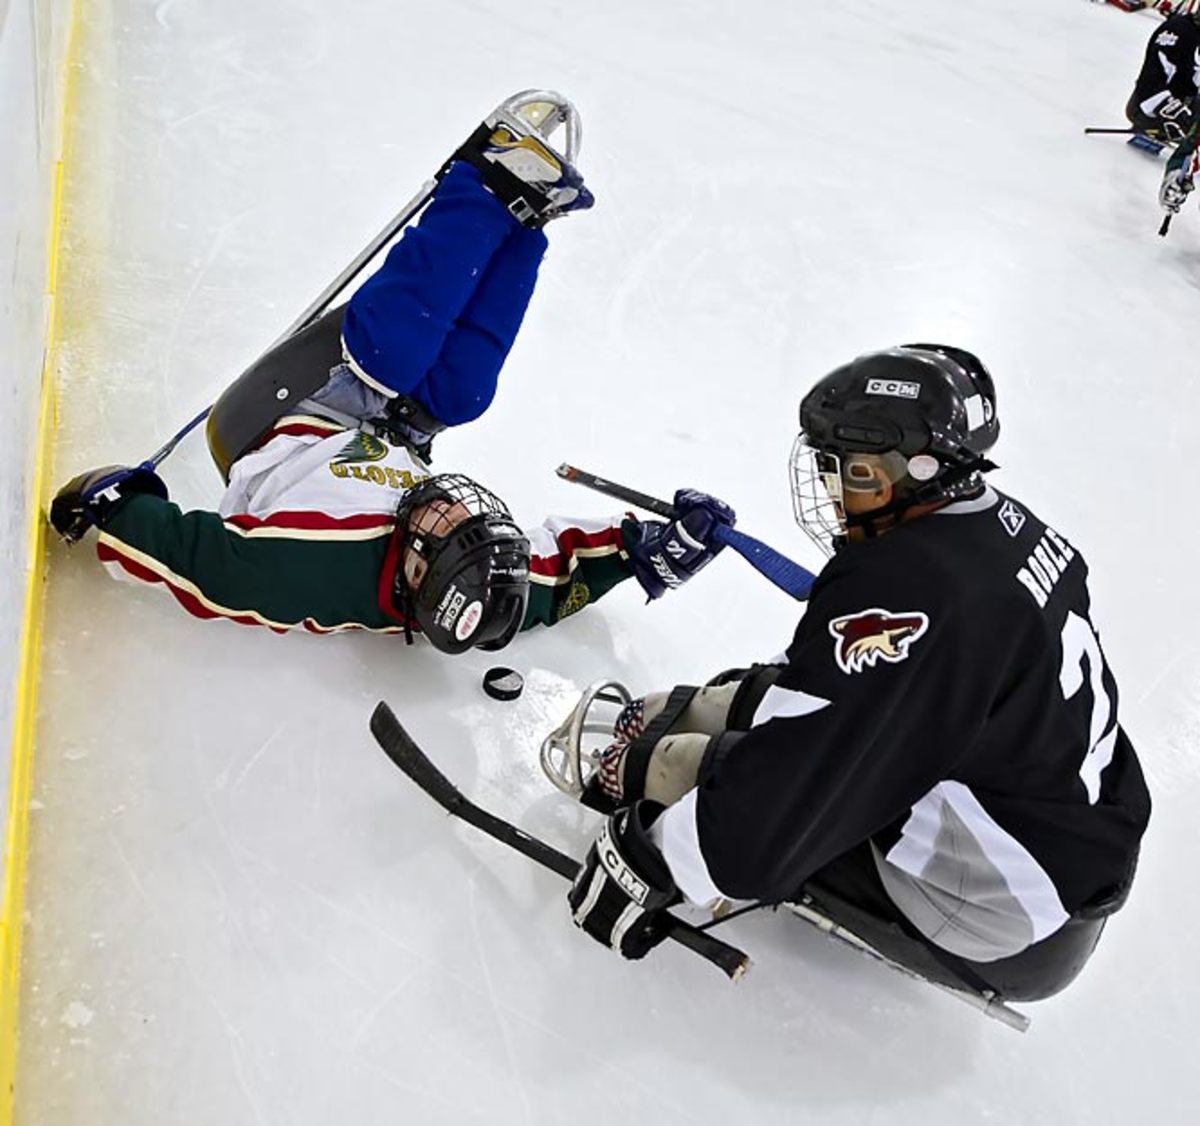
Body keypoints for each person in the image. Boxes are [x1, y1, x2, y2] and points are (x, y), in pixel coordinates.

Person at [561, 344, 1151, 1004]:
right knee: (746, 713)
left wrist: (651, 860)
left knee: (687, 769)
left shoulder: (915, 589)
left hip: (1004, 915)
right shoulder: (1003, 529)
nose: (834, 490)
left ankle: (647, 767)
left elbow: (770, 823)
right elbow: (900, 688)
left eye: (847, 470)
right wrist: (755, 698)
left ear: (906, 471)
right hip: (1054, 848)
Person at [49, 93, 736, 654]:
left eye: (444, 531)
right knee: (463, 393)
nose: (456, 509)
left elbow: (209, 571)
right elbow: (550, 583)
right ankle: (524, 225)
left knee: (394, 355)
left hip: (290, 421)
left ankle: (485, 183)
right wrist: (647, 552)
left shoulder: (318, 568)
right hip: (396, 438)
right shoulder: (480, 576)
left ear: (412, 574)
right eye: (469, 521)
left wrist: (118, 510)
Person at [1126, 2, 1200, 142]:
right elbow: (1151, 78)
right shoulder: (1178, 30)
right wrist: (1168, 107)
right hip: (1150, 108)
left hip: (1185, 105)